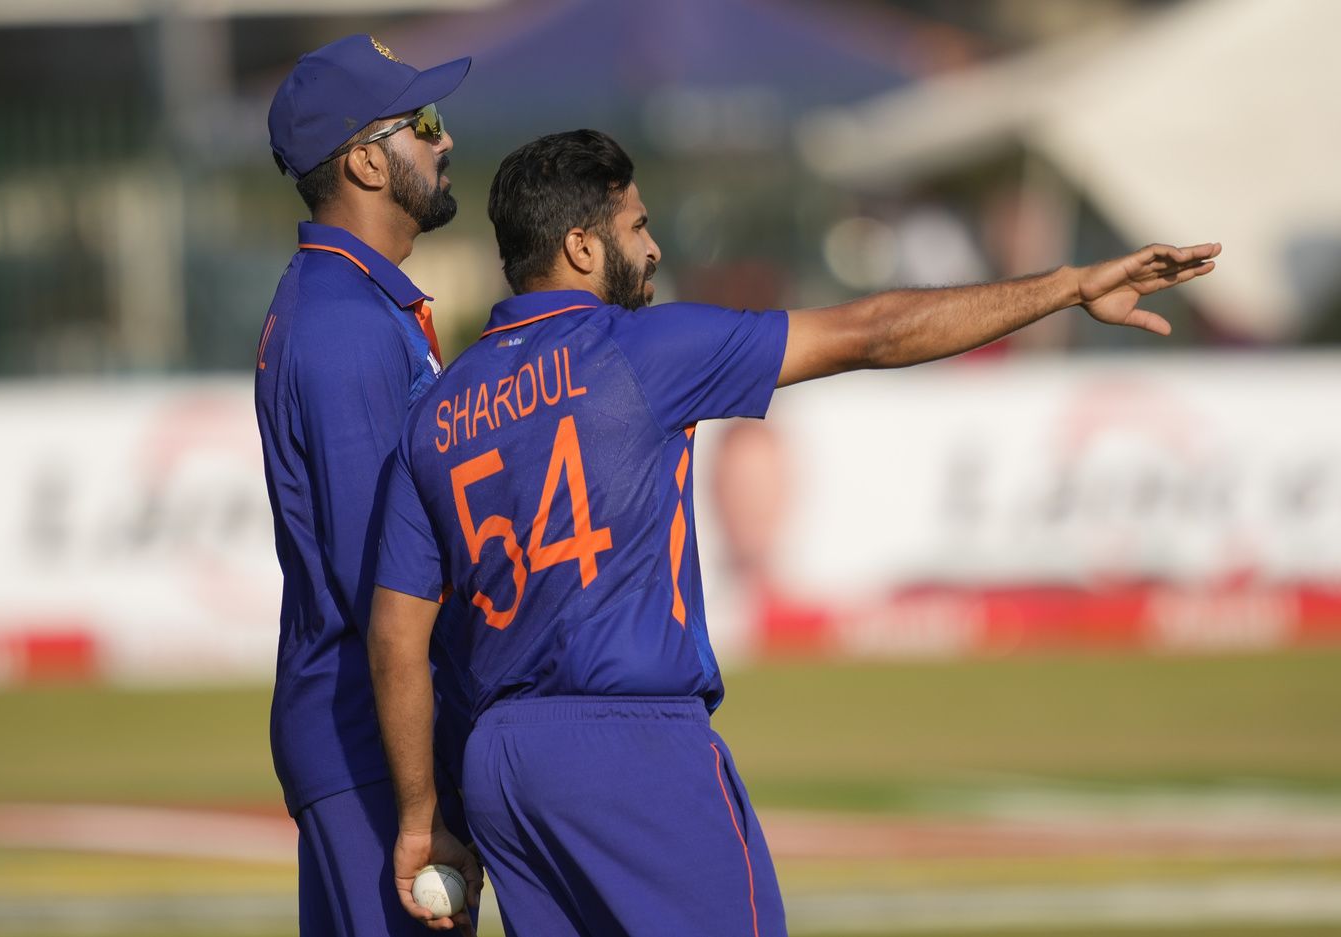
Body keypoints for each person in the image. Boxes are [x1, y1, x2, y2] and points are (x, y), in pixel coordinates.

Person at [367, 129, 1220, 935]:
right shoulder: (641, 349)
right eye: (638, 224)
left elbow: (399, 637)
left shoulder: (437, 413)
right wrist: (1068, 286)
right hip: (632, 747)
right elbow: (873, 333)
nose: (654, 248)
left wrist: (421, 816)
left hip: (503, 766)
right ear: (583, 248)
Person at [254, 33, 481, 937]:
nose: (446, 140)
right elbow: (381, 579)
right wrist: (425, 792)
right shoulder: (344, 327)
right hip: (372, 740)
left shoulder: (353, 303)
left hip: (370, 734)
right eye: (422, 124)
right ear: (363, 161)